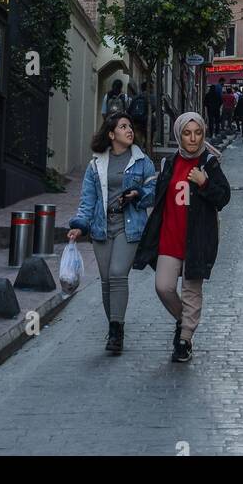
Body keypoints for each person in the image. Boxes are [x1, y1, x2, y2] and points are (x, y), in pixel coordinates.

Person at [133, 112, 230, 364]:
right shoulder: (169, 164)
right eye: (187, 133)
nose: (193, 138)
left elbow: (223, 197)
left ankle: (185, 339)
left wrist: (205, 183)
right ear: (179, 135)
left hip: (197, 239)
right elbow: (158, 198)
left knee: (191, 290)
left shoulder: (209, 163)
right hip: (170, 237)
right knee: (163, 287)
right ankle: (182, 319)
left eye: (197, 133)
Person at [66, 112, 156, 355]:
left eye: (130, 126)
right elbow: (88, 200)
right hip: (101, 228)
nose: (129, 130)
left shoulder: (142, 161)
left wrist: (138, 194)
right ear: (111, 134)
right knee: (106, 280)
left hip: (130, 226)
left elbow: (154, 190)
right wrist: (79, 225)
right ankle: (114, 326)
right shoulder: (96, 165)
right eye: (123, 127)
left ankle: (116, 330)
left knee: (117, 274)